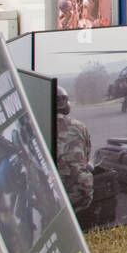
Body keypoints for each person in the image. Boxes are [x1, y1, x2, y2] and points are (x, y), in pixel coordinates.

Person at [54, 85, 93, 213]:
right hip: (82, 194)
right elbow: (85, 159)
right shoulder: (80, 126)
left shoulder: (39, 127)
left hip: (57, 196)